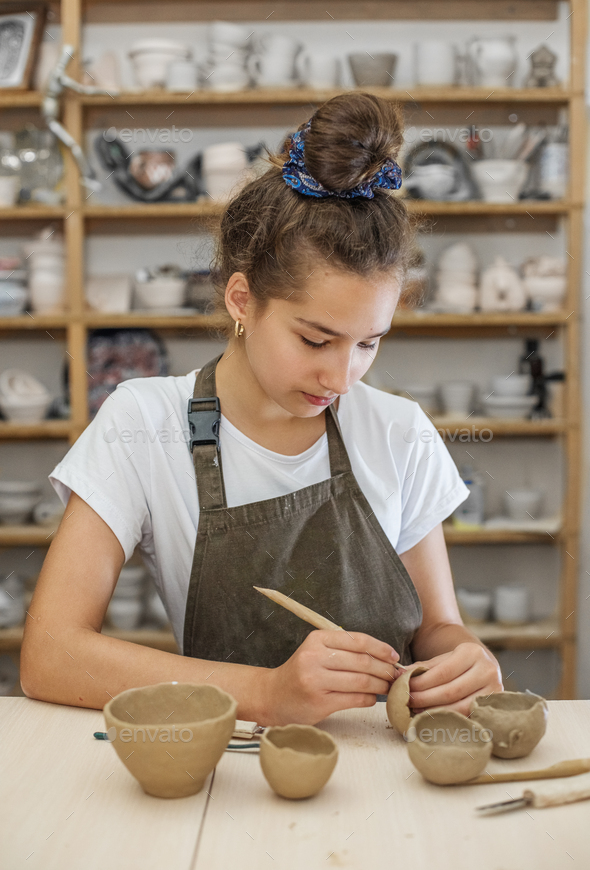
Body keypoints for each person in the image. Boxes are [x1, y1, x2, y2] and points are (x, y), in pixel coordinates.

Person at [21, 93, 502, 725]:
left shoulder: (397, 430)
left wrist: (467, 655)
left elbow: (438, 626)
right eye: (314, 339)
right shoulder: (143, 422)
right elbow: (50, 656)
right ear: (242, 300)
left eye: (368, 343)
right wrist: (268, 694)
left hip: (387, 774)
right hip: (227, 772)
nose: (341, 376)